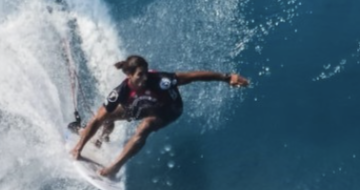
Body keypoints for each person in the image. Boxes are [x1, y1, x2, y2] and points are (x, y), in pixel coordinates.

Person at [69, 54, 250, 178]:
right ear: (129, 75)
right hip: (142, 106)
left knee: (145, 127)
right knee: (107, 118)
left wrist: (226, 77)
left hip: (168, 109)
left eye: (146, 73)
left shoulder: (161, 81)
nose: (145, 77)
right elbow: (99, 117)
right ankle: (101, 140)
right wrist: (79, 147)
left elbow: (192, 76)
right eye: (140, 75)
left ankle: (114, 168)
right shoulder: (121, 92)